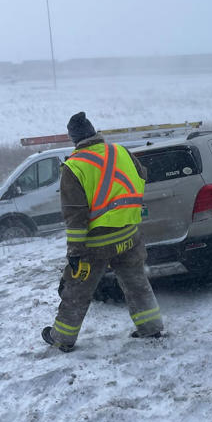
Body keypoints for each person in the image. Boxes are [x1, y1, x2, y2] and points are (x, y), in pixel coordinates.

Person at [42, 112, 164, 352]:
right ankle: (151, 326)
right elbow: (142, 176)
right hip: (129, 234)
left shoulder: (74, 167)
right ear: (94, 132)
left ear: (74, 140)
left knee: (77, 289)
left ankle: (62, 338)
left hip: (97, 243)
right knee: (136, 283)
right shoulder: (121, 152)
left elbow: (75, 216)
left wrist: (75, 254)